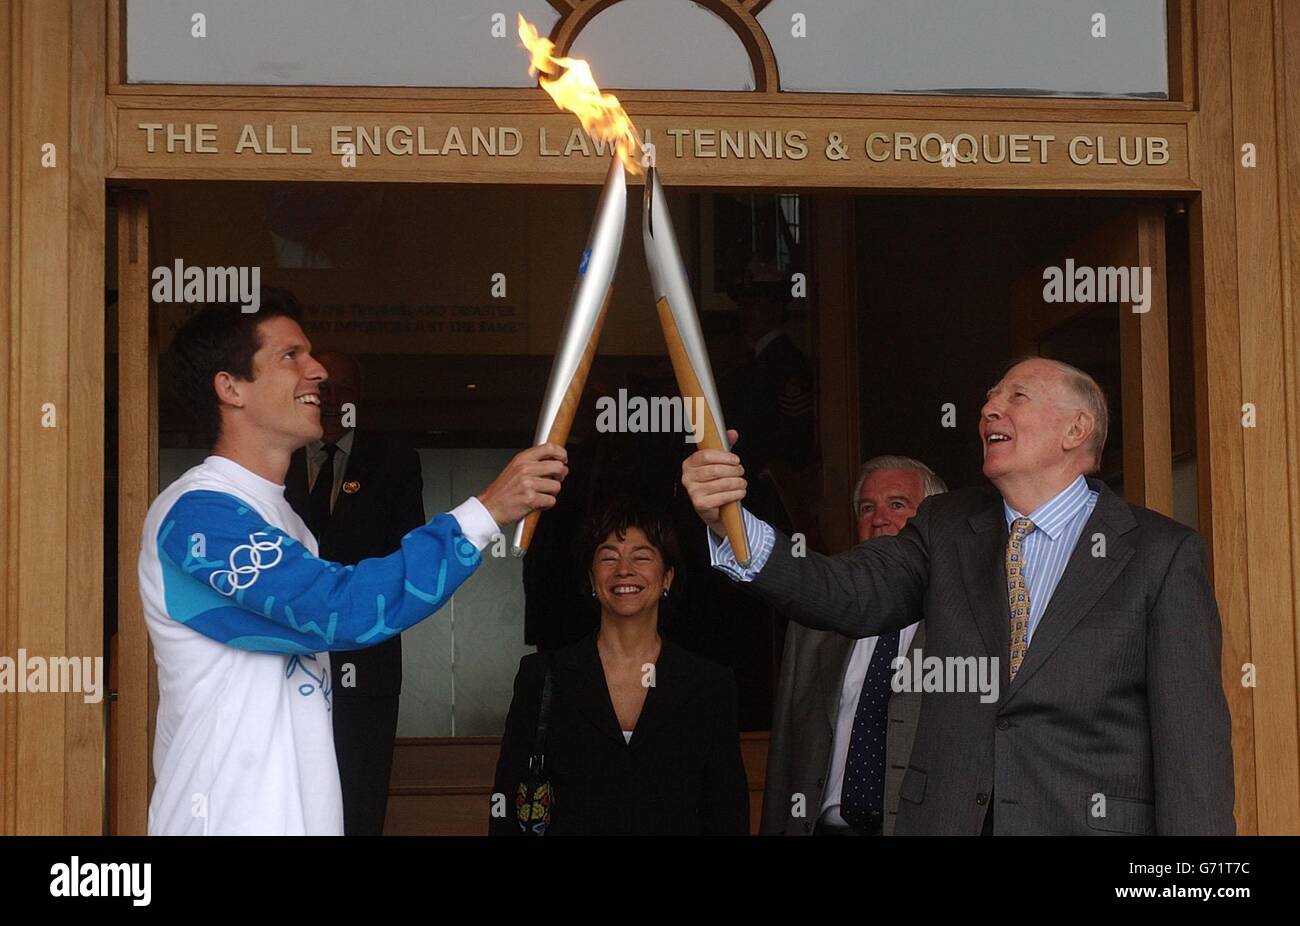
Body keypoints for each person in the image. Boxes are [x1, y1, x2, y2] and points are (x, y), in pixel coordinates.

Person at [683, 356, 1235, 835]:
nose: (990, 409)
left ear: (1076, 429)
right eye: (990, 399)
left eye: (1015, 396)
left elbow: (1193, 757)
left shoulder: (1161, 555)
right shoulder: (946, 527)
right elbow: (843, 591)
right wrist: (732, 521)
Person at [138, 293, 567, 835]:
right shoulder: (196, 514)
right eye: (291, 356)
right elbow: (342, 609)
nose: (317, 371)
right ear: (231, 388)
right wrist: (485, 512)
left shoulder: (287, 522)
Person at [490, 499, 749, 835]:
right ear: (592, 578)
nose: (624, 570)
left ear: (667, 577)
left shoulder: (709, 684)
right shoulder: (542, 676)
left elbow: (728, 813)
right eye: (608, 557)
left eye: (642, 556)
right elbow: (507, 807)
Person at [762, 455, 946, 836]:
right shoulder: (814, 624)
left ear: (932, 521)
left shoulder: (961, 619)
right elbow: (785, 751)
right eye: (867, 507)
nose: (879, 518)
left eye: (897, 504)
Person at [285, 350, 420, 835]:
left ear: (358, 398)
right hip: (288, 653)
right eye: (324, 389)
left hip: (367, 654)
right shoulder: (277, 459)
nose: (332, 400)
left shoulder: (393, 461)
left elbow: (406, 560)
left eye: (344, 390)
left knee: (360, 795)